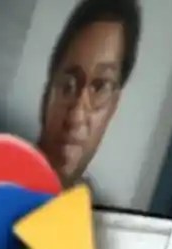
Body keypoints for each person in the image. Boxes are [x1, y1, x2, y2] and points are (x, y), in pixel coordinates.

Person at [36, 0, 143, 189]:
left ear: (113, 107)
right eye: (68, 86)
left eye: (100, 86)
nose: (76, 116)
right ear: (47, 93)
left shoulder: (99, 212)